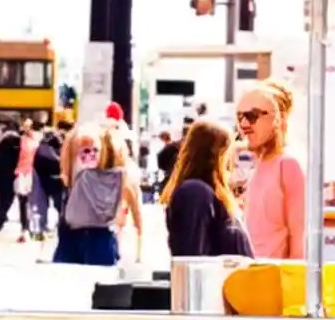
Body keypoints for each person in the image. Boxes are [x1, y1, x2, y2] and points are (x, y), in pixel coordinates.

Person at [162, 120, 254, 257]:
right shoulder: (194, 192)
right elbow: (191, 255)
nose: (233, 161)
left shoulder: (206, 193)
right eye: (228, 153)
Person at [55, 125, 142, 266]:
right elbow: (137, 215)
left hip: (74, 235)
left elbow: (66, 171)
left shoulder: (82, 177)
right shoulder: (120, 179)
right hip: (102, 238)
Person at [239, 80, 305, 259]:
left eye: (253, 116)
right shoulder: (259, 165)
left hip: (277, 273)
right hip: (253, 270)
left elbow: (299, 237)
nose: (244, 124)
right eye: (241, 117)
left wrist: (294, 275)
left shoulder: (288, 165)